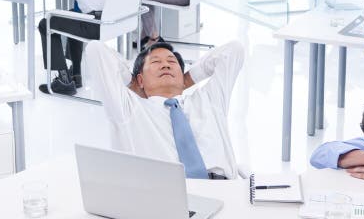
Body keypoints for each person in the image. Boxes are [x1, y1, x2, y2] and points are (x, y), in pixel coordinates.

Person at [86, 40, 245, 179]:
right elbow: (96, 50)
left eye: (172, 61)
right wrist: (133, 84)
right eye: (155, 62)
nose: (166, 65)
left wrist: (188, 79)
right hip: (163, 194)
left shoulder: (209, 100)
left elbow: (234, 50)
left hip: (223, 190)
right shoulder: (129, 107)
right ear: (140, 79)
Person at [38, 0, 120, 95]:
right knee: (73, 15)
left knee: (46, 23)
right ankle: (76, 75)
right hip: (114, 20)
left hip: (95, 25)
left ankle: (63, 81)